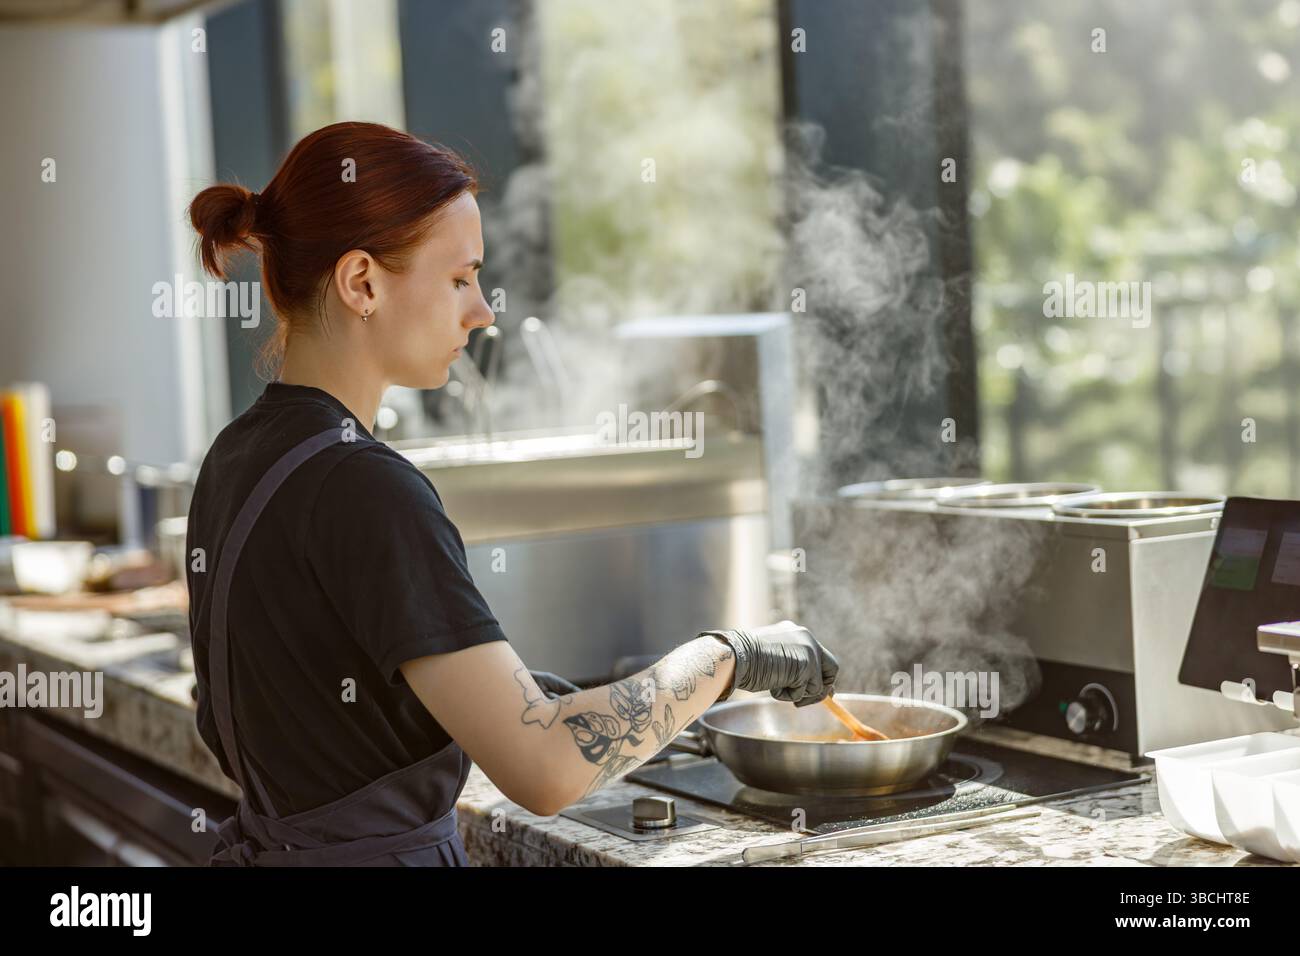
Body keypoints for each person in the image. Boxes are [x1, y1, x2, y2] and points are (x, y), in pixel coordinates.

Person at [184, 120, 839, 867]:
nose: (482, 310)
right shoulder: (366, 486)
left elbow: (317, 703)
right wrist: (733, 655)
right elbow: (547, 769)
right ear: (362, 281)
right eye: (460, 278)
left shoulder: (235, 455)